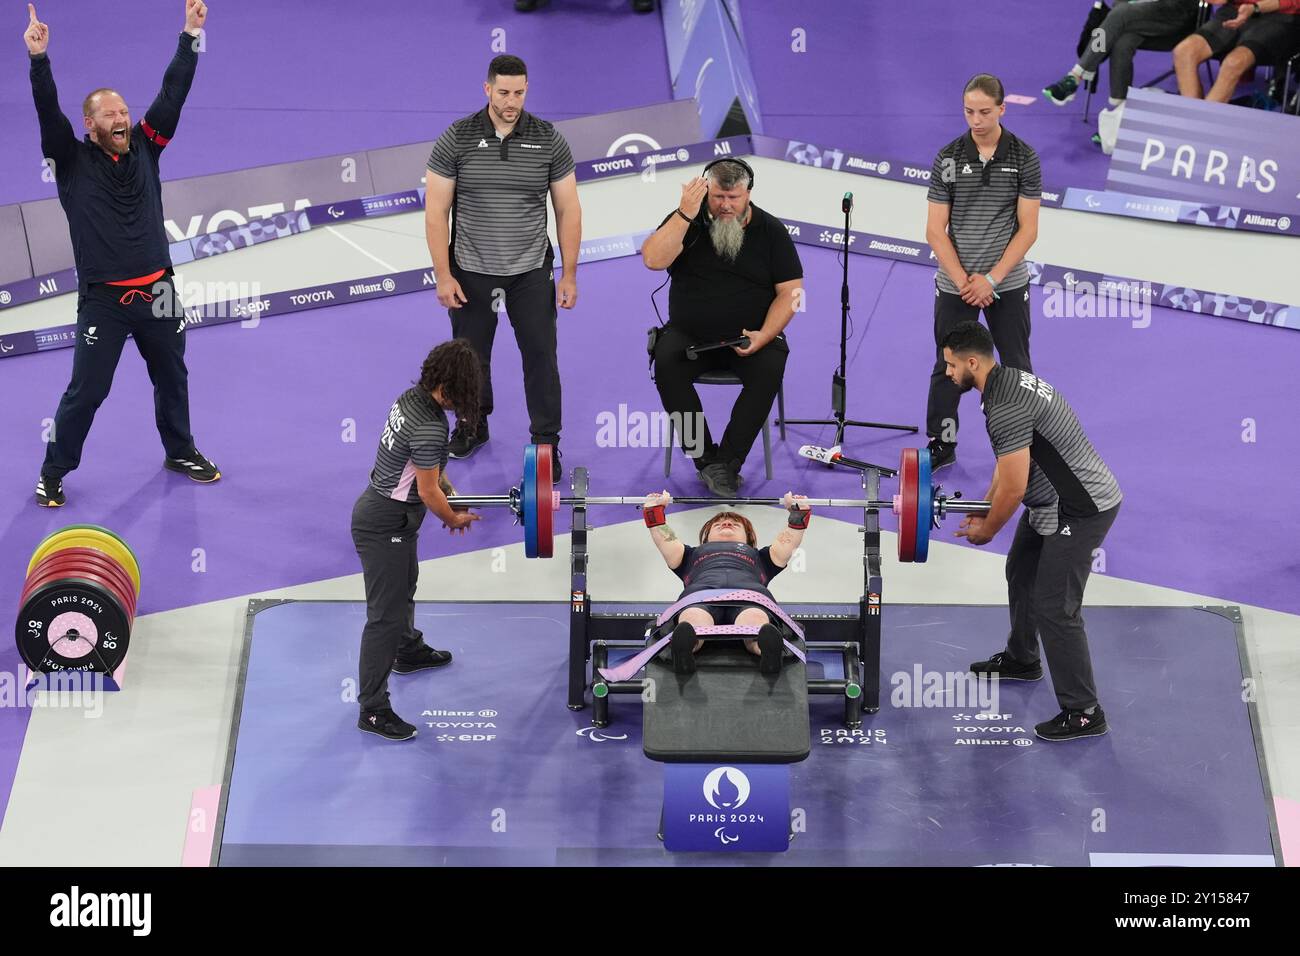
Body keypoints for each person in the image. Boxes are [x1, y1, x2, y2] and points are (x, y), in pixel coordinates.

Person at [25, 0, 220, 508]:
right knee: (87, 393)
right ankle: (53, 471)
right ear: (90, 125)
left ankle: (180, 450)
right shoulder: (69, 161)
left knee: (173, 377)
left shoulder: (147, 146)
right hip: (104, 302)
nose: (122, 117)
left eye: (124, 111)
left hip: (159, 291)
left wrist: (190, 35)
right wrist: (39, 61)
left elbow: (172, 93)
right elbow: (48, 112)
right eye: (110, 113)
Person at [941, 322, 1123, 742]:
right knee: (1021, 570)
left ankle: (1083, 711)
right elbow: (1006, 472)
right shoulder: (1007, 382)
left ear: (973, 362)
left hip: (1079, 509)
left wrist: (988, 528)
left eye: (951, 365)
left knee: (1055, 607)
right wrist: (986, 509)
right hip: (1051, 503)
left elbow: (1015, 485)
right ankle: (1023, 659)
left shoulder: (1004, 407)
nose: (948, 374)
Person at [424, 54, 581, 484]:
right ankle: (473, 426)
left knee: (541, 357)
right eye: (504, 92)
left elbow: (567, 208)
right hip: (471, 269)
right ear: (487, 89)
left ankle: (546, 442)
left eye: (520, 92)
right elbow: (436, 211)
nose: (512, 101)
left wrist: (568, 273)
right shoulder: (456, 138)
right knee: (470, 359)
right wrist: (443, 273)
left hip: (530, 271)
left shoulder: (549, 139)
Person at [641, 159, 804, 498]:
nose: (726, 205)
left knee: (771, 367)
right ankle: (706, 461)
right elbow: (653, 260)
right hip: (689, 335)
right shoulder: (687, 220)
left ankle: (728, 462)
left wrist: (766, 335)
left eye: (734, 197)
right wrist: (684, 214)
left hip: (751, 336)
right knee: (666, 362)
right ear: (704, 190)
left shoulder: (771, 231)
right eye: (717, 197)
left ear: (748, 193)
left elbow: (792, 293)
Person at [351, 340, 483, 741]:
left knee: (406, 584)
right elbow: (428, 492)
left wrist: (449, 491)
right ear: (446, 384)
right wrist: (453, 516)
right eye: (460, 390)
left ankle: (406, 651)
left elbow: (430, 471)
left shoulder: (410, 399)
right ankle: (372, 709)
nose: (462, 400)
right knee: (384, 617)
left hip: (392, 518)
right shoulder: (429, 426)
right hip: (383, 524)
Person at [924, 74, 1042, 473]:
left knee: (1017, 366)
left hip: (1006, 283)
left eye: (985, 112)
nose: (976, 120)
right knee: (949, 364)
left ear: (1002, 109)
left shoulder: (1024, 157)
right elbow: (934, 231)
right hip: (956, 284)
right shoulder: (948, 157)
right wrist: (964, 282)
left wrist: (990, 280)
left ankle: (1021, 443)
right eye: (969, 111)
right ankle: (943, 442)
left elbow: (1028, 229)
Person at [642, 491, 810, 676]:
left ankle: (766, 652)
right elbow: (663, 533)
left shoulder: (762, 557)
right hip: (701, 598)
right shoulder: (688, 555)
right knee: (692, 619)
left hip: (750, 599)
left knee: (755, 620)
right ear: (705, 538)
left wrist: (797, 512)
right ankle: (685, 650)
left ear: (749, 539)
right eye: (718, 524)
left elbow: (789, 539)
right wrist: (654, 509)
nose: (727, 523)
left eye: (735, 524)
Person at [1042, 0, 1202, 108]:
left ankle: (1077, 74)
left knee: (1119, 14)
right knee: (1122, 40)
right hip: (1140, 13)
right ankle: (1119, 110)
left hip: (1178, 15)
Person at [1174, 0, 1300, 102]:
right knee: (1184, 52)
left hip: (1282, 16)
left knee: (1233, 63)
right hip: (1235, 9)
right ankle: (1192, 117)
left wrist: (1255, 8)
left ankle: (1202, 124)